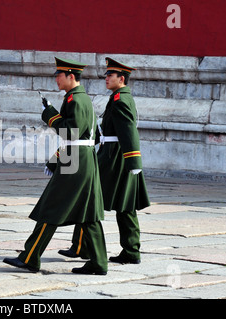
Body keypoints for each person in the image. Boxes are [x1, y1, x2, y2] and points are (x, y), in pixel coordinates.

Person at [3, 57, 108, 275]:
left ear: (71, 76)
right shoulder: (83, 99)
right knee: (88, 213)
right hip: (83, 157)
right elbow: (92, 136)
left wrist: (50, 116)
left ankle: (30, 257)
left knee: (50, 207)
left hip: (75, 159)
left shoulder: (75, 101)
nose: (57, 80)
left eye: (59, 76)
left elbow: (71, 133)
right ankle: (99, 263)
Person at [58, 57, 150, 264]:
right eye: (107, 74)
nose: (106, 78)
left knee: (91, 200)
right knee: (123, 207)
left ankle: (86, 247)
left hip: (116, 157)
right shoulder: (118, 97)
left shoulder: (121, 100)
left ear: (122, 78)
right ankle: (127, 251)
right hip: (114, 155)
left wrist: (134, 162)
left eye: (110, 75)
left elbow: (128, 133)